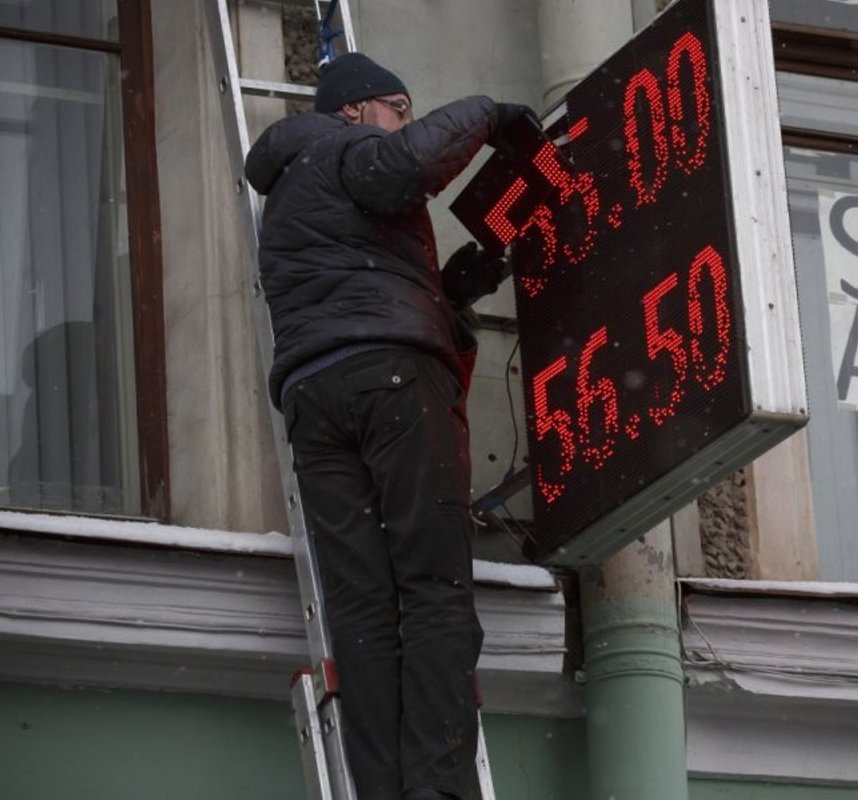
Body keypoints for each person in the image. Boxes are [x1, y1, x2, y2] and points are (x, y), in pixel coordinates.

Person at [245, 52, 534, 800]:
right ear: (354, 108)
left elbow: (353, 289)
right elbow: (405, 166)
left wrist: (452, 290)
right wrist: (492, 114)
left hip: (316, 400)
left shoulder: (289, 193)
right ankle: (437, 788)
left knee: (362, 606)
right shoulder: (344, 145)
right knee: (433, 588)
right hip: (394, 386)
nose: (405, 118)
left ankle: (380, 788)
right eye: (397, 104)